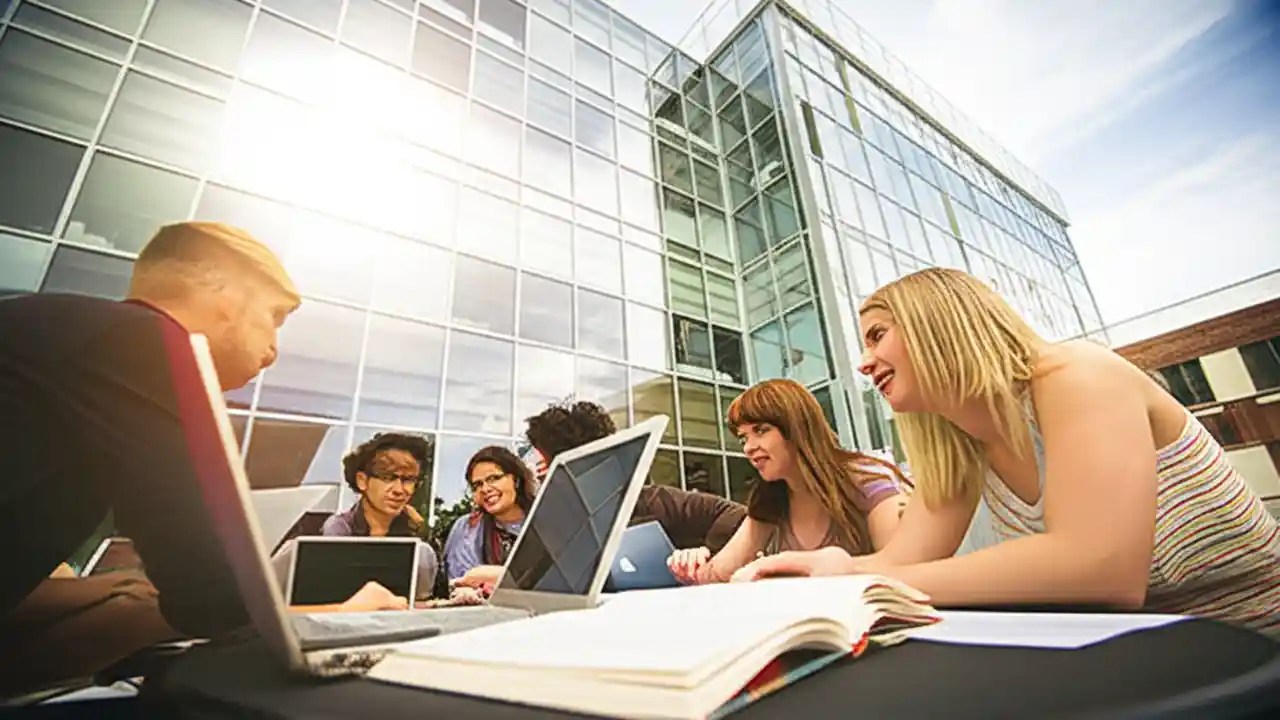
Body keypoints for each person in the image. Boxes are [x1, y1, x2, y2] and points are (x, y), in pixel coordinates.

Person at [735, 268, 1280, 638]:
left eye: (877, 335)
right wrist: (824, 571)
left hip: (1251, 645)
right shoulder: (957, 449)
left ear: (937, 321)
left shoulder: (1077, 375)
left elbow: (1102, 570)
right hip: (1140, 656)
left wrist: (859, 581)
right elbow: (902, 563)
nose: (864, 361)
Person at [0, 222, 404, 696]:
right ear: (220, 288)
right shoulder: (147, 339)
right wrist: (346, 619)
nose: (274, 351)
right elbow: (211, 601)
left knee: (137, 597)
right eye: (274, 317)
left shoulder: (62, 334)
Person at [451, 400, 749, 591]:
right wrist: (496, 577)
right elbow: (545, 582)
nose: (540, 470)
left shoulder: (653, 501)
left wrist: (707, 557)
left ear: (581, 461)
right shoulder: (560, 523)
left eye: (546, 460)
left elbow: (740, 516)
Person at [667, 378, 910, 584]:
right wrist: (693, 562)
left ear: (796, 429)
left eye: (761, 431)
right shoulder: (771, 499)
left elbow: (905, 565)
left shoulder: (867, 479)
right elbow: (718, 574)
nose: (749, 448)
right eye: (743, 439)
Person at [270, 433, 440, 600]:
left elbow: (423, 602)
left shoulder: (419, 541)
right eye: (388, 477)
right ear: (362, 481)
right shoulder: (328, 532)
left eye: (409, 480)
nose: (399, 489)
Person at [443, 446, 535, 583]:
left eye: (493, 478)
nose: (485, 489)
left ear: (515, 480)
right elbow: (464, 582)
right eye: (477, 485)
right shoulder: (468, 527)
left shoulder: (543, 517)